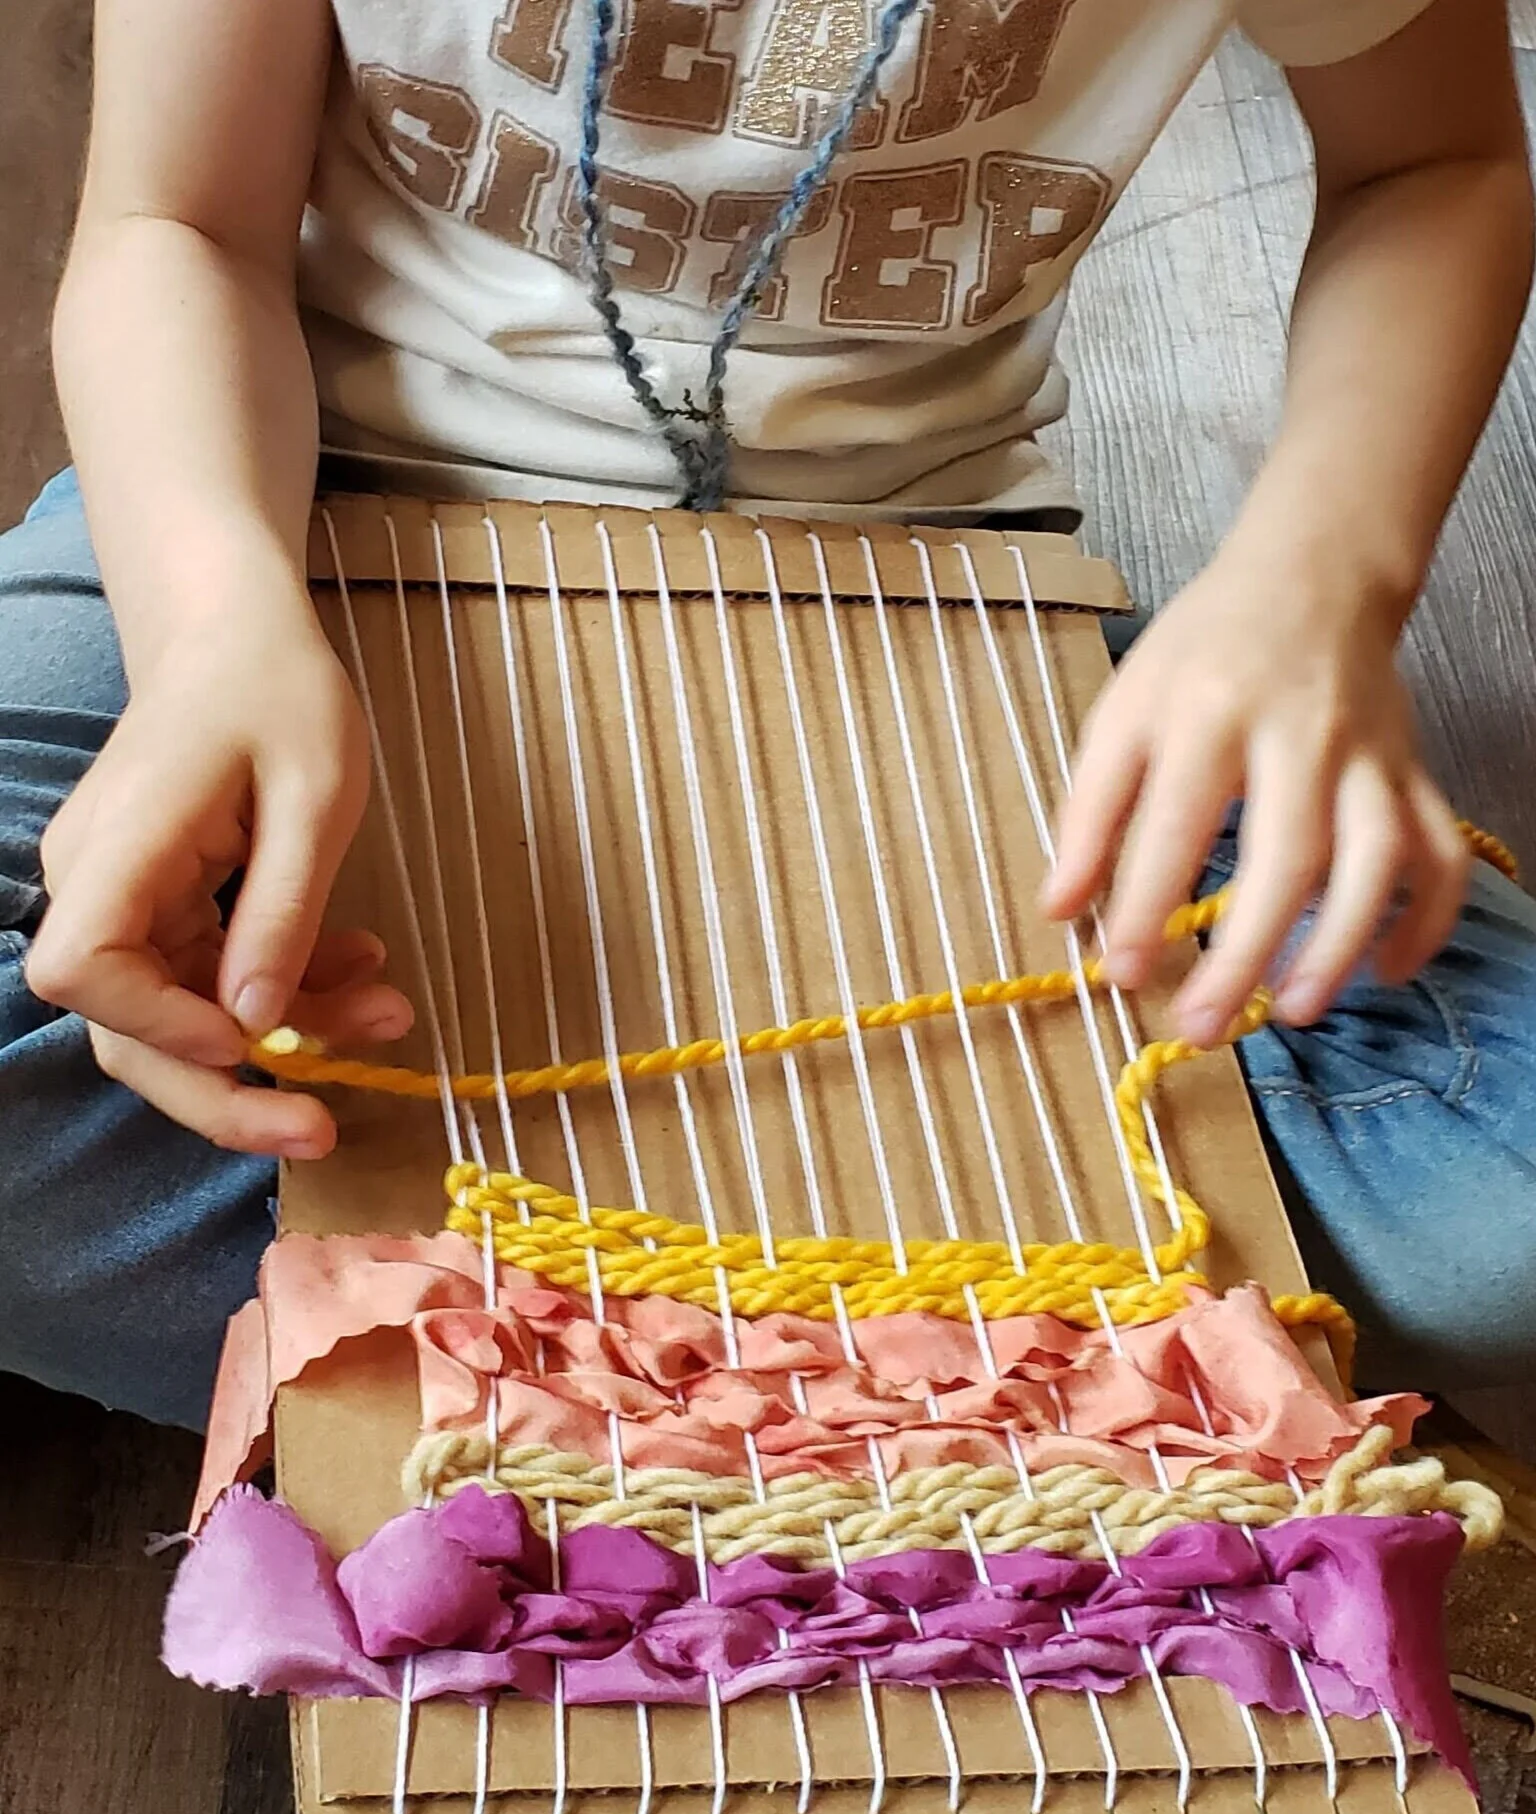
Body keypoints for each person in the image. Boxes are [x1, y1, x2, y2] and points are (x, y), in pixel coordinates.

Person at [1, 0, 1533, 1434]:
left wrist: (1318, 583)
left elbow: (1432, 160)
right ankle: (957, 1353)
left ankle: (627, 1354)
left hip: (924, 572)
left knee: (1508, 1236)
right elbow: (179, 224)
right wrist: (211, 630)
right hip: (295, 502)